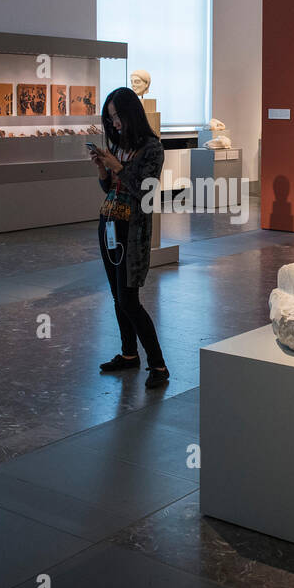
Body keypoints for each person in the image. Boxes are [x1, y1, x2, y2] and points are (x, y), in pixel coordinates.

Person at [89, 87, 169, 388]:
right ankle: (128, 354)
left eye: (118, 117)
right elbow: (111, 189)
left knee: (129, 299)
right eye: (110, 119)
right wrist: (103, 171)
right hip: (108, 224)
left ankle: (158, 365)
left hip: (132, 231)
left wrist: (118, 168)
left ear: (131, 114)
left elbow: (144, 190)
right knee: (117, 297)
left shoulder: (152, 148)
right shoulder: (118, 145)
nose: (115, 124)